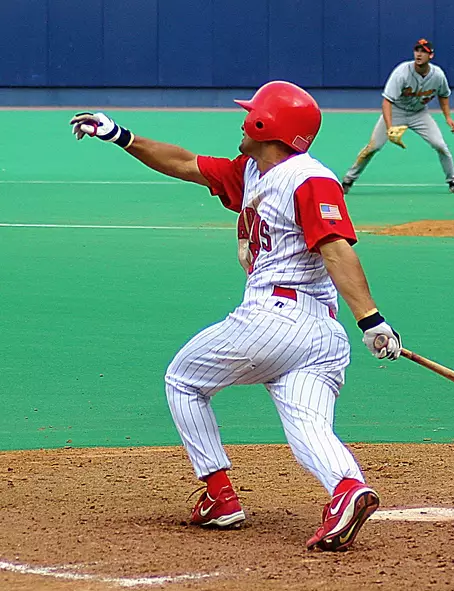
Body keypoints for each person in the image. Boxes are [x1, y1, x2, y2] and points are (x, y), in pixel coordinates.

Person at [70, 80, 402, 552]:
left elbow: (335, 248)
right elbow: (185, 164)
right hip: (321, 335)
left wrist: (371, 318)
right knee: (309, 425)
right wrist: (122, 136)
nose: (243, 121)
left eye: (251, 115)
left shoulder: (311, 178)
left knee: (183, 380)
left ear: (267, 125)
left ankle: (219, 496)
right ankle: (347, 490)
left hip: (274, 320)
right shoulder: (252, 172)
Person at [342, 38, 454, 195]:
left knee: (440, 145)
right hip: (396, 111)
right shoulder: (401, 73)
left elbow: (444, 95)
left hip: (420, 114)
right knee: (373, 147)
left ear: (431, 55)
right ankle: (348, 180)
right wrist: (390, 127)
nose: (419, 54)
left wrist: (448, 117)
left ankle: (453, 180)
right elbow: (387, 102)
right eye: (417, 50)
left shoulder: (438, 75)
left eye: (423, 51)